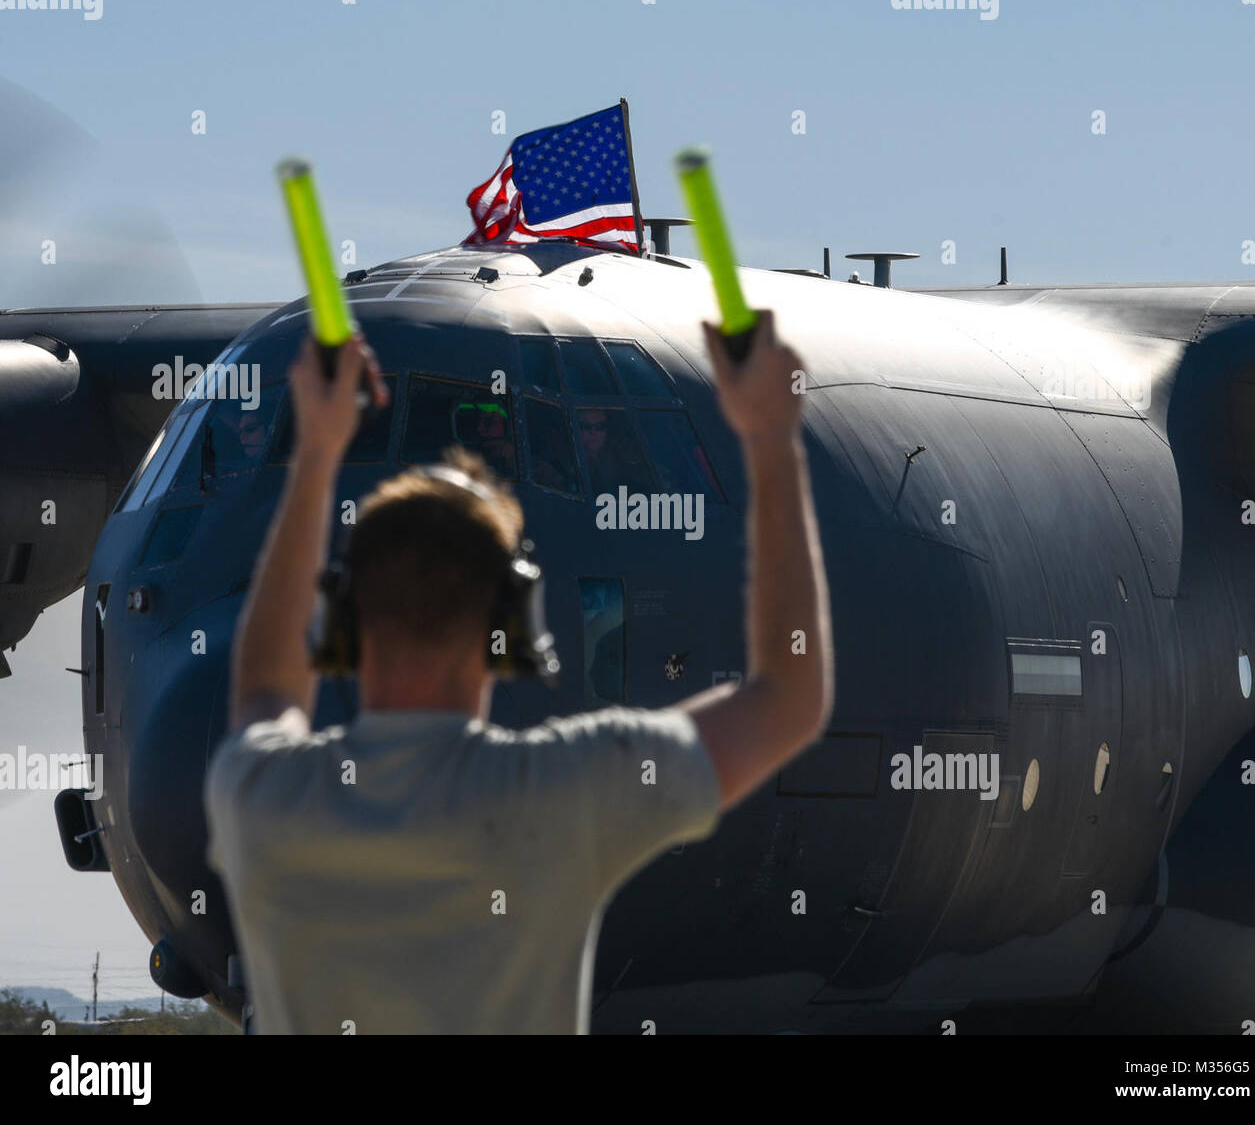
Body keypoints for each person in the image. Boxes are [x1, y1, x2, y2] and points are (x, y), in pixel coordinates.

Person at [203, 311, 833, 1034]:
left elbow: (264, 691)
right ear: (510, 628)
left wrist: (315, 454)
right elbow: (789, 699)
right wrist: (770, 440)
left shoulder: (265, 799)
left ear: (343, 624)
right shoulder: (562, 791)